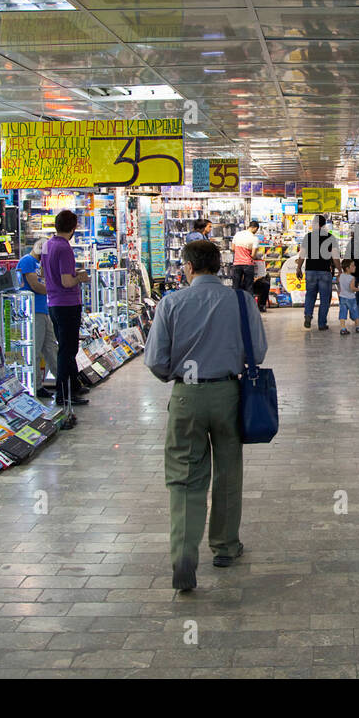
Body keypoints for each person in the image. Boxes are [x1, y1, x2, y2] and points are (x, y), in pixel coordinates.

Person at [143, 239, 268, 593]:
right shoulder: (242, 302)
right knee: (228, 473)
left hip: (187, 396)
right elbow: (257, 351)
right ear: (220, 266)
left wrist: (176, 375)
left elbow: (155, 360)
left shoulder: (171, 303)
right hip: (230, 394)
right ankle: (226, 547)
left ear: (188, 267)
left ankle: (184, 554)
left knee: (184, 477)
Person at [43, 209, 91, 407]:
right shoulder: (64, 248)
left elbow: (46, 273)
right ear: (73, 228)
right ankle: (65, 393)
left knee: (65, 346)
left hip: (53, 303)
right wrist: (80, 276)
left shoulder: (47, 245)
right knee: (67, 349)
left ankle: (74, 385)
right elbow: (66, 281)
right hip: (67, 304)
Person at [16, 237, 57, 398]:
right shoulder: (27, 261)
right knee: (37, 349)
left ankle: (62, 381)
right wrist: (54, 289)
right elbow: (35, 285)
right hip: (33, 312)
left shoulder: (39, 264)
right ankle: (35, 385)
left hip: (43, 310)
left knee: (51, 347)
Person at [295, 214, 339, 331]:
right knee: (325, 298)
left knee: (310, 295)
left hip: (310, 271)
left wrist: (298, 268)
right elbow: (335, 257)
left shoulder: (308, 237)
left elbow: (302, 254)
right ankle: (321, 323)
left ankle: (308, 316)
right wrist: (340, 270)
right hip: (324, 271)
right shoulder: (330, 237)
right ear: (324, 224)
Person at [231, 220, 259, 295]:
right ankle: (249, 305)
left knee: (236, 286)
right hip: (248, 264)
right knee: (249, 287)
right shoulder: (254, 238)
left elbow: (233, 248)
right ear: (255, 228)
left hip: (237, 263)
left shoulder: (237, 234)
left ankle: (235, 304)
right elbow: (253, 255)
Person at [337, 259, 359, 335]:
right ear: (347, 268)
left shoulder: (341, 276)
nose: (355, 267)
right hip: (351, 298)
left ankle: (343, 329)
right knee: (355, 312)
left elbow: (339, 283)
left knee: (342, 313)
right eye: (353, 266)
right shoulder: (352, 278)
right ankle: (357, 327)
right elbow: (352, 289)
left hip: (342, 297)